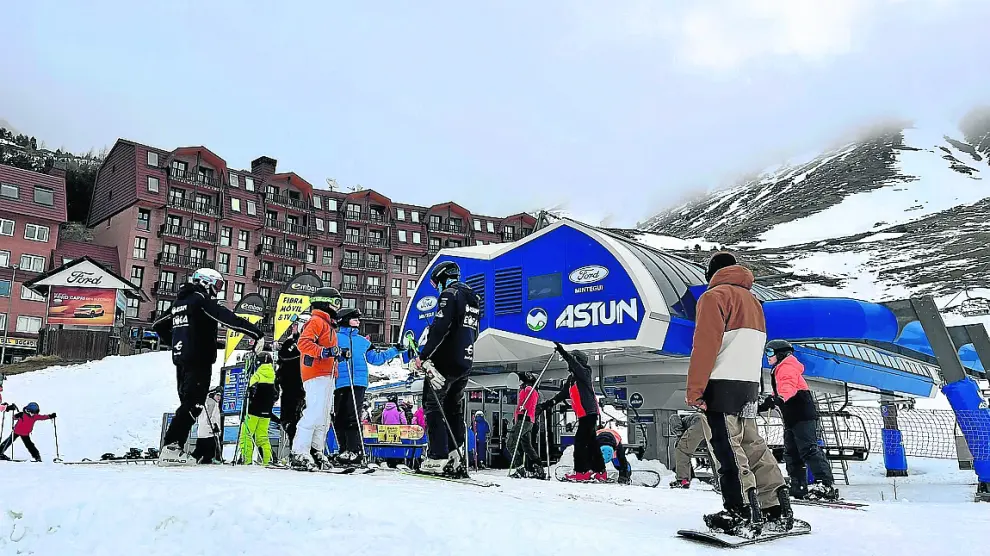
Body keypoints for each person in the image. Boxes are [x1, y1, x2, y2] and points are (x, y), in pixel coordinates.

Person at [686, 252, 792, 535]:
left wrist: (696, 390)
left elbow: (705, 346)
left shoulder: (714, 297)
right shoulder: (754, 302)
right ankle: (775, 504)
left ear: (712, 273)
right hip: (748, 385)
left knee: (726, 447)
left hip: (721, 384)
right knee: (752, 444)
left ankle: (740, 510)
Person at [153, 269, 265, 466]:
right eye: (218, 285)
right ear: (206, 283)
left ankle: (172, 448)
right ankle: (171, 448)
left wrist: (179, 341)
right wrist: (256, 333)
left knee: (188, 404)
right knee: (194, 404)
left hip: (182, 359)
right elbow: (228, 319)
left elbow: (158, 325)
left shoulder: (179, 302)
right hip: (199, 359)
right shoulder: (200, 300)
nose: (218, 290)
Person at [415, 261, 481, 476]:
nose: (437, 288)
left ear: (443, 277)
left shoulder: (450, 295)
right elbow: (475, 332)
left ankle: (437, 456)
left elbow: (440, 327)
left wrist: (423, 355)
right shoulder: (473, 297)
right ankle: (456, 454)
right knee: (453, 408)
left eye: (436, 283)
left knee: (433, 406)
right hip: (466, 360)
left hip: (445, 360)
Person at [760, 340, 839, 501]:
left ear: (780, 353)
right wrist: (769, 402)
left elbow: (788, 387)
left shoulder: (787, 367)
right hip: (792, 416)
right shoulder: (781, 367)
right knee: (791, 452)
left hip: (802, 414)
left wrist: (780, 399)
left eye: (769, 353)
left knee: (808, 449)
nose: (767, 357)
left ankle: (825, 484)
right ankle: (798, 485)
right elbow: (785, 388)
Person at [334, 308, 405, 465]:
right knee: (339, 416)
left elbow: (376, 359)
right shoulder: (334, 338)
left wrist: (394, 350)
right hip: (339, 382)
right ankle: (343, 449)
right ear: (345, 320)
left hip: (358, 382)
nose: (358, 321)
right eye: (354, 318)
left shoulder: (363, 342)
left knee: (353, 415)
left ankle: (355, 450)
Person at [290, 287, 343, 471]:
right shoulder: (316, 321)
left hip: (328, 374)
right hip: (315, 373)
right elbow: (303, 343)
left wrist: (338, 354)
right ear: (324, 303)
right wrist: (324, 352)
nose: (338, 307)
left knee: (324, 415)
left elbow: (327, 349)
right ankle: (299, 451)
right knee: (314, 412)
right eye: (336, 302)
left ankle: (316, 450)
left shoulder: (328, 326)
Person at [540, 341, 603, 482]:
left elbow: (574, 364)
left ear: (578, 361)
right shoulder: (572, 379)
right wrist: (547, 405)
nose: (569, 364)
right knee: (592, 443)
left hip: (589, 413)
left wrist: (563, 352)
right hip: (584, 415)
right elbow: (562, 395)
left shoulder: (585, 372)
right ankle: (600, 471)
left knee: (580, 443)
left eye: (573, 360)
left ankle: (581, 472)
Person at [239, 352, 279, 466]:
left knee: (247, 435)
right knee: (262, 437)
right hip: (266, 412)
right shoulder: (273, 376)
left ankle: (246, 460)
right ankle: (267, 460)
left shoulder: (256, 376)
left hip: (253, 411)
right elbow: (276, 395)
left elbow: (249, 393)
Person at [276, 314, 309, 446]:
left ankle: (298, 448)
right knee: (287, 419)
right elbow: (283, 359)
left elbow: (286, 356)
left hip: (299, 386)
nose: (293, 327)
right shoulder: (291, 342)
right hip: (288, 386)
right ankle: (294, 448)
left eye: (296, 325)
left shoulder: (301, 343)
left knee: (296, 418)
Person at [507, 371, 544, 479]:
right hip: (527, 420)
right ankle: (538, 467)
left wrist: (524, 408)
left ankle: (519, 468)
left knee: (511, 443)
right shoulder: (526, 389)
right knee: (527, 446)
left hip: (524, 419)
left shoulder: (529, 389)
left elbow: (530, 403)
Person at [669, 412, 717, 489]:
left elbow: (674, 419)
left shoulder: (684, 421)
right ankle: (720, 482)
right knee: (714, 454)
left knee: (682, 450)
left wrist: (679, 436)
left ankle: (682, 481)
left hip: (699, 422)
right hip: (713, 425)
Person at [191, 387, 223, 464]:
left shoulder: (206, 402)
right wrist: (214, 427)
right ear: (212, 394)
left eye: (220, 395)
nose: (219, 397)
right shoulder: (212, 403)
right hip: (209, 432)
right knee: (207, 452)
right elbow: (209, 417)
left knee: (200, 451)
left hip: (203, 431)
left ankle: (192, 460)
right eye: (217, 395)